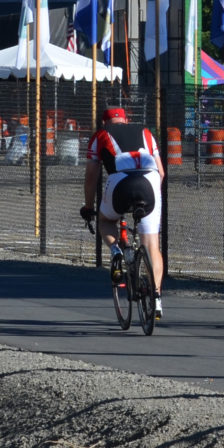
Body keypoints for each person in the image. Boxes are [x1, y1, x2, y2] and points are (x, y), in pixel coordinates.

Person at [80, 107, 167, 318]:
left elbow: (92, 175)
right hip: (150, 182)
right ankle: (156, 298)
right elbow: (162, 172)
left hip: (120, 180)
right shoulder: (146, 132)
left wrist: (89, 206)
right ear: (127, 120)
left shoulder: (100, 135)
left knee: (106, 220)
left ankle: (116, 250)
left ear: (104, 123)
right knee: (152, 245)